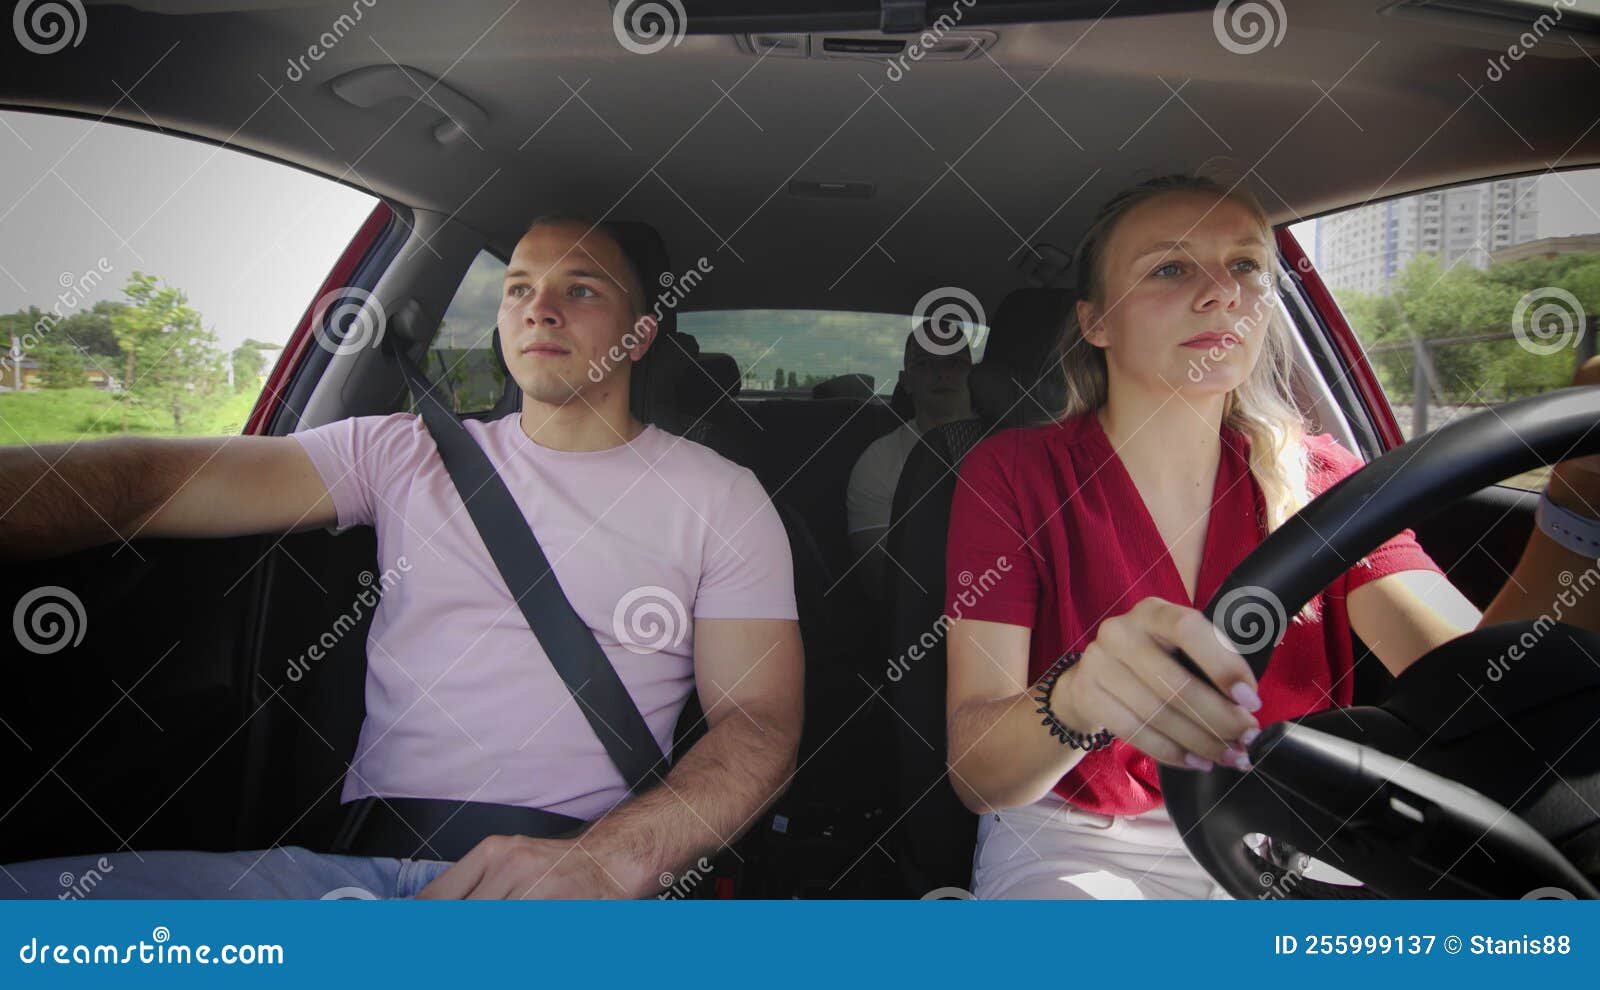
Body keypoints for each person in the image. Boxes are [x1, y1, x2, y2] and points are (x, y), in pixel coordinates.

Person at [0, 217, 804, 899]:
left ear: (640, 333)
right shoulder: (399, 451)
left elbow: (759, 721)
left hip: (570, 884)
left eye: (581, 289)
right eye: (519, 288)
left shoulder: (722, 497)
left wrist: (608, 862)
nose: (540, 310)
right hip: (348, 876)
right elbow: (150, 485)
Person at [943, 174, 1600, 899]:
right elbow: (980, 776)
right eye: (1170, 267)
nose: (1223, 292)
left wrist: (1577, 513)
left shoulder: (1322, 475)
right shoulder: (1014, 473)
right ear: (1097, 322)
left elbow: (1487, 697)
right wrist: (1076, 698)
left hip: (1295, 827)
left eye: (1247, 266)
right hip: (1082, 834)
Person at [846, 326, 974, 597]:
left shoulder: (1012, 448)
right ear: (906, 380)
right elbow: (882, 579)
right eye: (926, 363)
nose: (943, 373)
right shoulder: (879, 460)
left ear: (974, 374)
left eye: (955, 362)